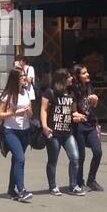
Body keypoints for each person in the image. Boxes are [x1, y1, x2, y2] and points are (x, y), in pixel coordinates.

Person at [41, 68, 80, 196]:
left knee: (75, 158)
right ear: (63, 79)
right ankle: (52, 186)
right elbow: (44, 110)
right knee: (53, 160)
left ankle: (73, 186)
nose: (72, 79)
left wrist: (79, 116)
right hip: (54, 133)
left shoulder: (71, 94)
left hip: (67, 133)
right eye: (69, 77)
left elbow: (73, 112)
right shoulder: (50, 92)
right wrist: (45, 126)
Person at [0, 67, 34, 202]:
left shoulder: (26, 93)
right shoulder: (7, 95)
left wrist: (28, 112)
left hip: (25, 130)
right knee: (20, 159)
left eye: (24, 75)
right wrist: (14, 113)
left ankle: (11, 189)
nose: (25, 78)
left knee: (16, 161)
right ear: (15, 79)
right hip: (10, 131)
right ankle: (22, 190)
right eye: (21, 76)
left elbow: (30, 113)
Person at [71, 63, 103, 192]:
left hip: (90, 124)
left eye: (87, 72)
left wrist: (95, 99)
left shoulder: (89, 86)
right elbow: (73, 111)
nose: (87, 74)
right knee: (81, 156)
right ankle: (79, 181)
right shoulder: (74, 90)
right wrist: (77, 115)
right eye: (84, 73)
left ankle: (92, 179)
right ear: (78, 76)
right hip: (79, 126)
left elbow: (93, 106)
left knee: (98, 152)